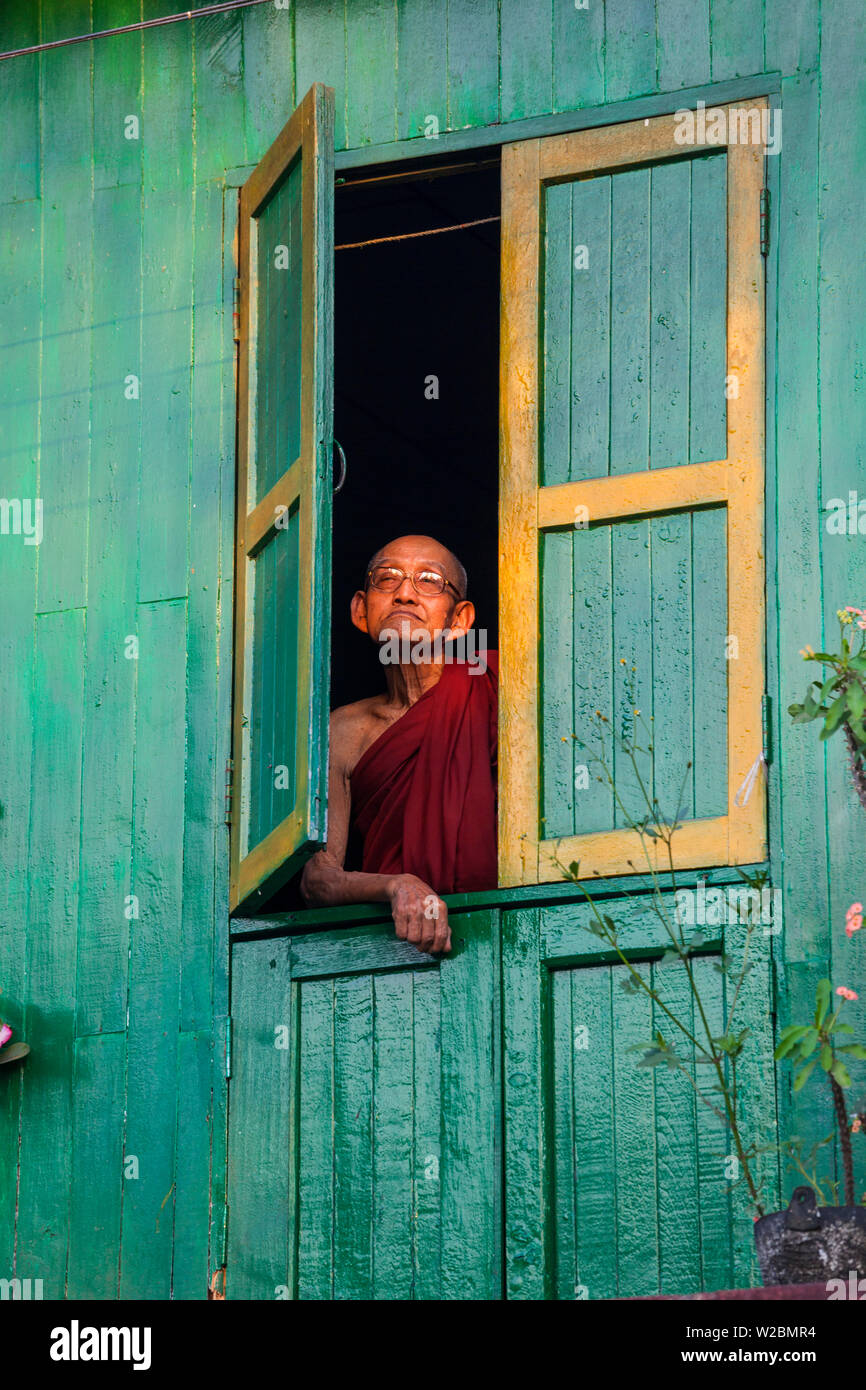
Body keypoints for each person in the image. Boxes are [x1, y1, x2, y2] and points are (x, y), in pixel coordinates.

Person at [300, 534, 498, 957]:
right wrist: (397, 884)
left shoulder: (497, 687)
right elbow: (319, 880)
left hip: (496, 928)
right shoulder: (344, 730)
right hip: (394, 945)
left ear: (460, 620)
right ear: (360, 610)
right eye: (386, 579)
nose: (404, 593)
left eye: (429, 581)